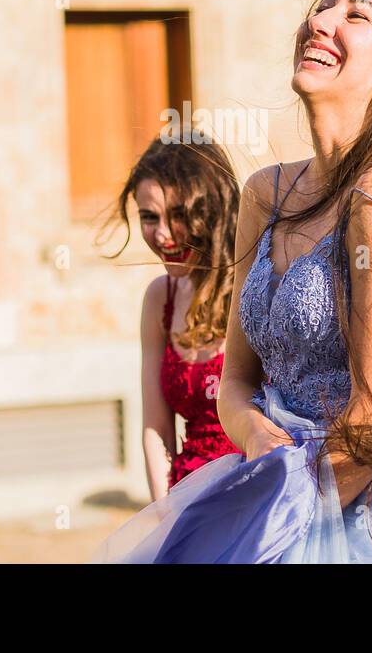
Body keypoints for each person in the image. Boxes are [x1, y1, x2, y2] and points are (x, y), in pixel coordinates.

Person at [94, 0, 372, 562]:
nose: (320, 20)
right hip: (272, 482)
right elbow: (235, 382)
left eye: (355, 15)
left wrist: (274, 516)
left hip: (368, 520)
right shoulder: (265, 193)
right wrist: (254, 434)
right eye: (323, 6)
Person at [112, 134, 242, 499]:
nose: (164, 235)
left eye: (179, 216)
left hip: (256, 498)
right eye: (149, 217)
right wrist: (164, 515)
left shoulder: (254, 287)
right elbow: (156, 429)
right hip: (187, 498)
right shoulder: (159, 298)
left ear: (214, 211)